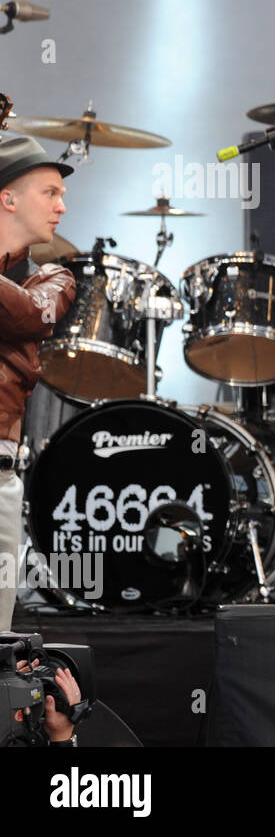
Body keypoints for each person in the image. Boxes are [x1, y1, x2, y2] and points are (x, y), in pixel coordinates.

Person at [0, 136, 76, 632]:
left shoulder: (54, 278)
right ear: (7, 198)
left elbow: (29, 316)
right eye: (49, 192)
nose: (61, 206)